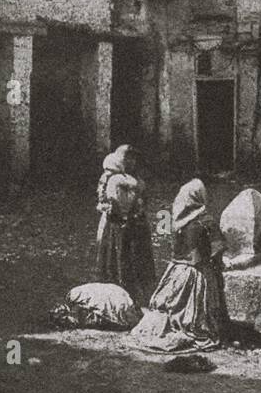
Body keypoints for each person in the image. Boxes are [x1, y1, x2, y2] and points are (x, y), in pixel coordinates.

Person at [142, 179, 229, 350]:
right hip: (197, 273)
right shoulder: (206, 220)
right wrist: (219, 266)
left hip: (176, 272)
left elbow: (169, 244)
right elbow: (217, 249)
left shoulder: (174, 219)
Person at [94, 144, 156, 305]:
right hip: (119, 224)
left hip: (136, 223)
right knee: (120, 256)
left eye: (134, 159)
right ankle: (123, 295)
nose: (132, 162)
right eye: (129, 158)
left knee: (137, 257)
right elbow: (116, 203)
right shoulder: (116, 179)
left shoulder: (134, 178)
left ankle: (139, 293)